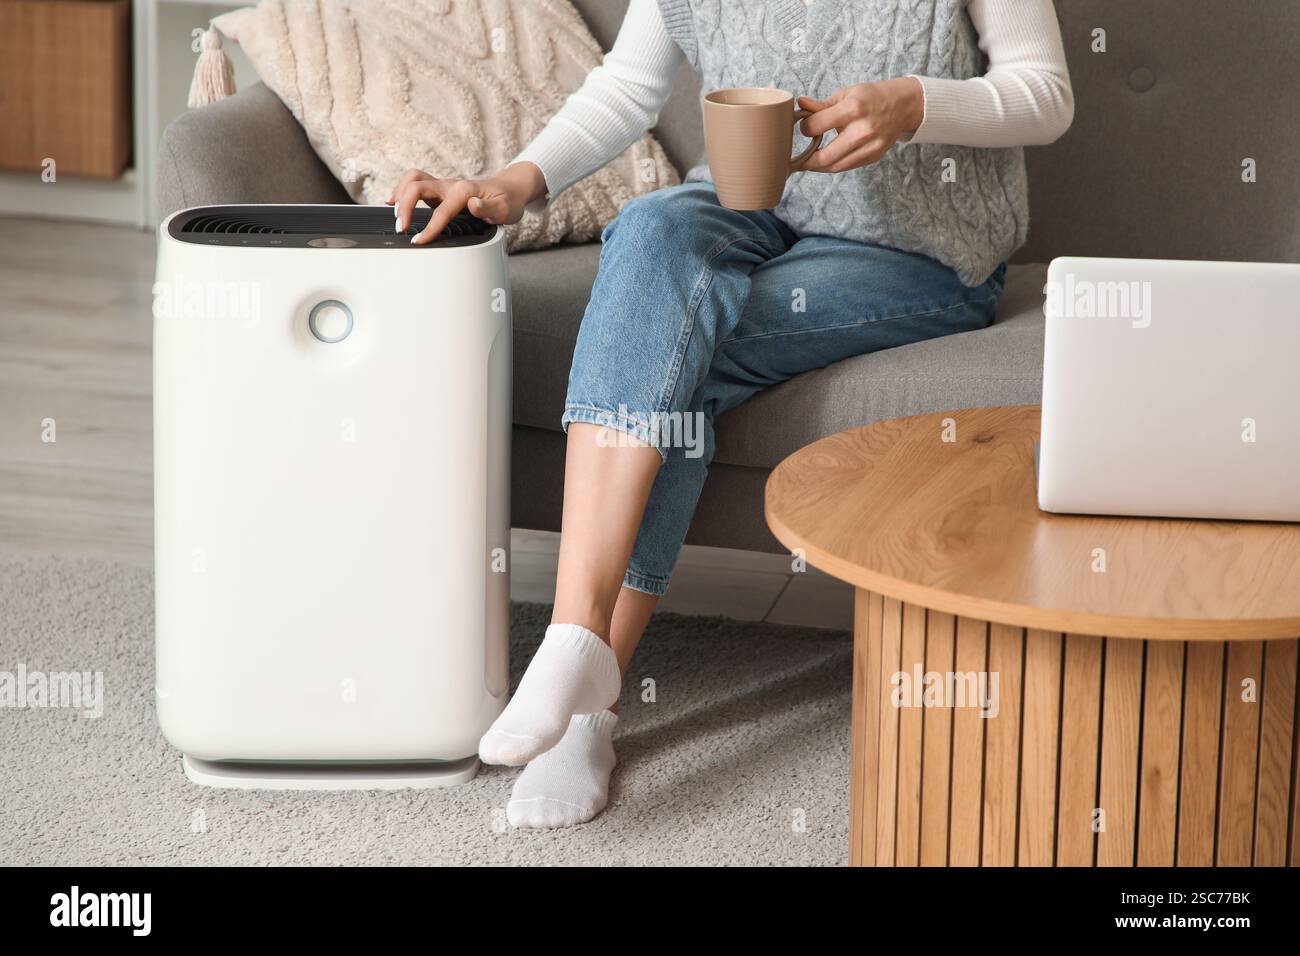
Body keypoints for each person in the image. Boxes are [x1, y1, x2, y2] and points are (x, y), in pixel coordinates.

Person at [388, 0, 1073, 829]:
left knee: (677, 346)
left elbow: (1045, 93)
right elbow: (629, 86)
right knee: (650, 228)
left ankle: (587, 716)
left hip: (914, 255)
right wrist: (511, 183)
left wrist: (913, 103)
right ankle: (576, 642)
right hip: (746, 210)